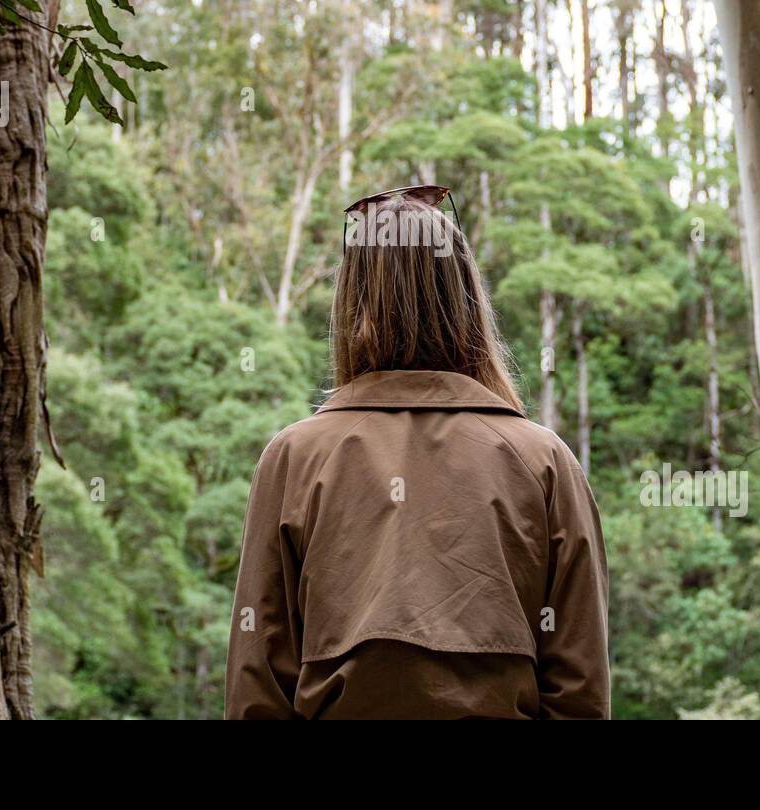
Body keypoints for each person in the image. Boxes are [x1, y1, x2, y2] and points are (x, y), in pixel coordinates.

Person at [224, 185, 610, 719]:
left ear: (352, 304)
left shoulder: (294, 458)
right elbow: (580, 693)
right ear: (464, 297)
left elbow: (258, 692)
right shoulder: (542, 462)